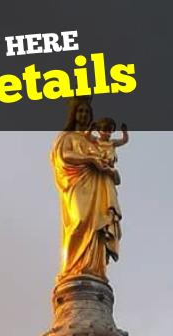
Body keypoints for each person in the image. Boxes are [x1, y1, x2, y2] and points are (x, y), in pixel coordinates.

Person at [51, 100, 123, 281]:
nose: (83, 115)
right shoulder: (67, 137)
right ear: (74, 114)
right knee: (79, 221)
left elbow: (107, 155)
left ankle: (94, 268)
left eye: (86, 112)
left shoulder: (93, 140)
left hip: (97, 186)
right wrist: (90, 160)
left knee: (97, 226)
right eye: (80, 111)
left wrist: (106, 165)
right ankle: (71, 268)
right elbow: (63, 156)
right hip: (76, 184)